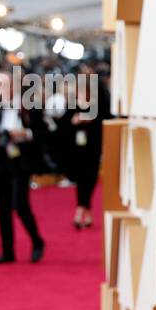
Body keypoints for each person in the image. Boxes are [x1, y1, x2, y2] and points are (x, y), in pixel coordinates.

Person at [0, 70, 45, 264]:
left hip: (21, 162)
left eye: (4, 85)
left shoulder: (28, 105)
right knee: (2, 208)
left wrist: (24, 134)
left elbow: (40, 132)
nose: (0, 90)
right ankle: (8, 251)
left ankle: (37, 241)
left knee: (20, 205)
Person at [68, 65, 110, 229]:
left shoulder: (100, 99)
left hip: (93, 143)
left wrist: (89, 119)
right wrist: (74, 120)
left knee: (90, 176)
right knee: (80, 177)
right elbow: (66, 120)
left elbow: (105, 117)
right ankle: (84, 210)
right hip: (78, 145)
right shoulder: (74, 100)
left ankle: (82, 209)